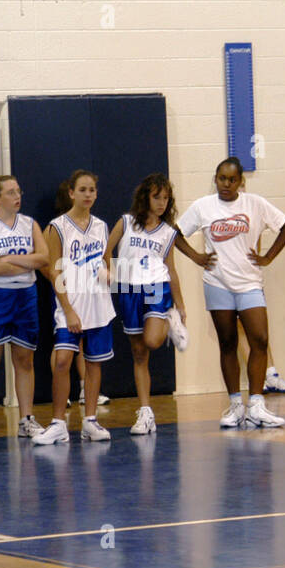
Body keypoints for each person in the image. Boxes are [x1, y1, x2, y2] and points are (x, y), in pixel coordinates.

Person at [175, 157, 285, 429]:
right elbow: (175, 234)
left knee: (260, 339)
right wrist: (196, 257)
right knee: (228, 343)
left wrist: (268, 257)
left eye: (231, 179)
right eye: (221, 178)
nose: (226, 184)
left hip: (250, 282)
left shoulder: (255, 203)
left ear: (241, 181)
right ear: (215, 179)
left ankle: (256, 404)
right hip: (217, 283)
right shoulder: (203, 206)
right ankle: (234, 406)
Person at [33, 170, 115, 444]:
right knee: (62, 361)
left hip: (98, 304)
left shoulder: (102, 226)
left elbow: (107, 260)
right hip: (70, 304)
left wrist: (109, 274)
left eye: (92, 189)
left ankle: (90, 421)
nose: (88, 194)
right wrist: (67, 309)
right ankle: (58, 423)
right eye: (82, 189)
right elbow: (53, 271)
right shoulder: (58, 227)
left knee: (93, 363)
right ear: (71, 193)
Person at [0, 176, 50, 444]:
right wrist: (27, 263)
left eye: (19, 191)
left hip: (25, 295)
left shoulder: (30, 224)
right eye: (10, 192)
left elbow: (44, 258)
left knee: (24, 361)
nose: (17, 196)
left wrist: (13, 259)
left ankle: (26, 420)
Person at [107, 173, 187, 435]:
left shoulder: (168, 232)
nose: (162, 203)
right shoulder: (126, 223)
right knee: (140, 354)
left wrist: (180, 303)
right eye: (157, 197)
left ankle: (170, 317)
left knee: (153, 341)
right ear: (145, 197)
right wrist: (110, 275)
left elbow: (171, 269)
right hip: (129, 291)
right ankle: (145, 412)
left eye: (166, 198)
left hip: (156, 288)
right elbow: (106, 253)